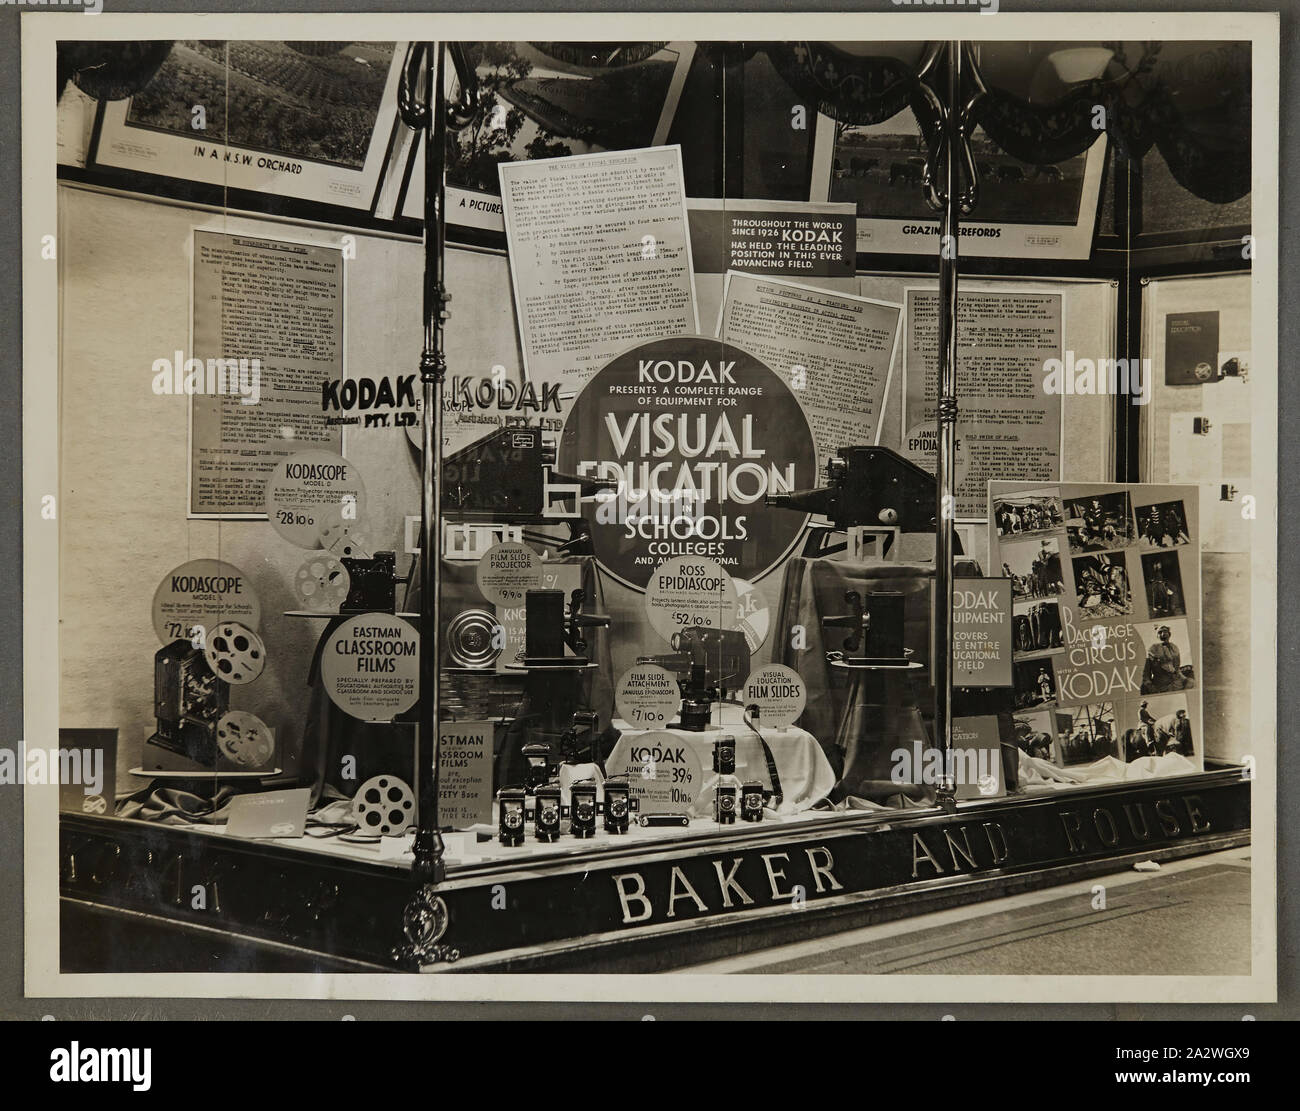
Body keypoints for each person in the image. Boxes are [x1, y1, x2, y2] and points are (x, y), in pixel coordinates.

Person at [1142, 625, 1188, 693]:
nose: (1163, 634)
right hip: (1161, 686)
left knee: (1191, 683)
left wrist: (1185, 680)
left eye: (1165, 631)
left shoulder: (1174, 648)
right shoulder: (1153, 649)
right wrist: (1150, 687)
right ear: (1157, 636)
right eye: (1160, 632)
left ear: (1169, 634)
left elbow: (1177, 668)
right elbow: (1146, 672)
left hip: (1177, 683)